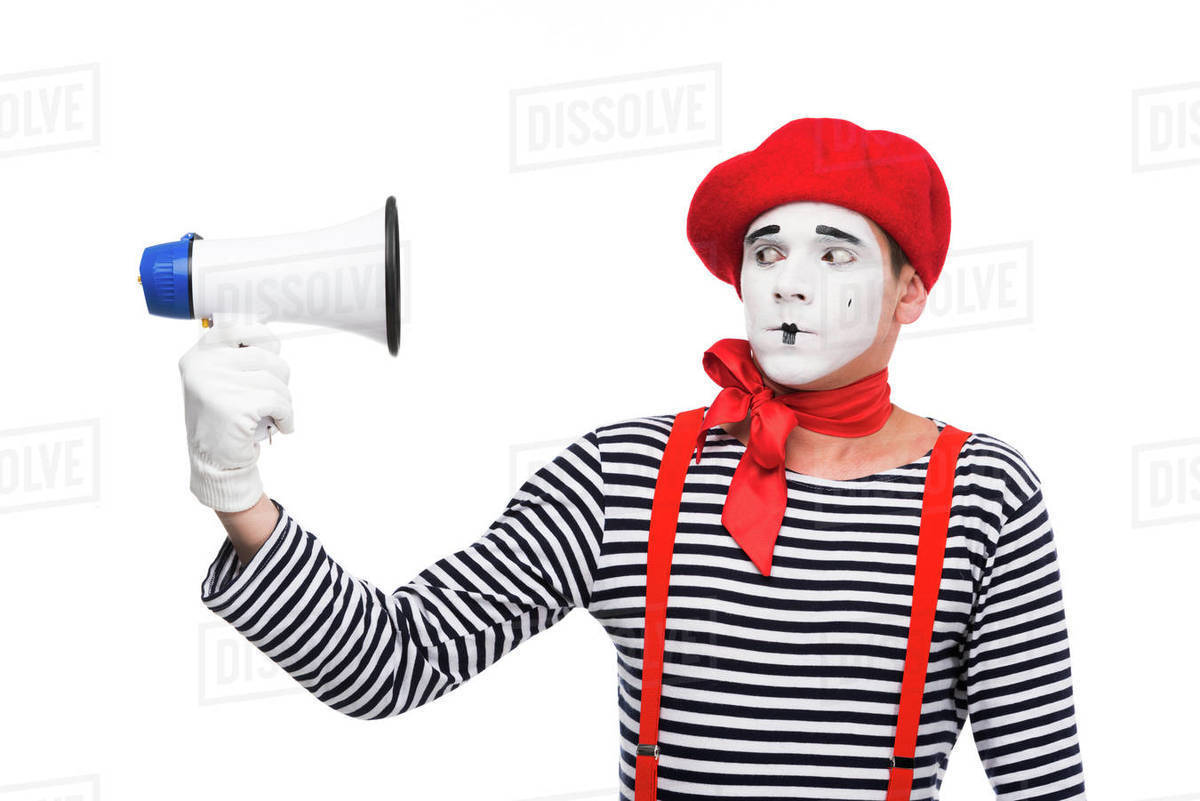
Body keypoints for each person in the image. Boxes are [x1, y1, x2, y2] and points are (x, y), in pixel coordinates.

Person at [181, 118, 1086, 800]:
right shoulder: (627, 474)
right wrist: (238, 493)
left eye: (836, 253)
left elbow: (1041, 784)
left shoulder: (986, 493)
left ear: (910, 292)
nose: (792, 282)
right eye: (768, 251)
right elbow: (391, 662)